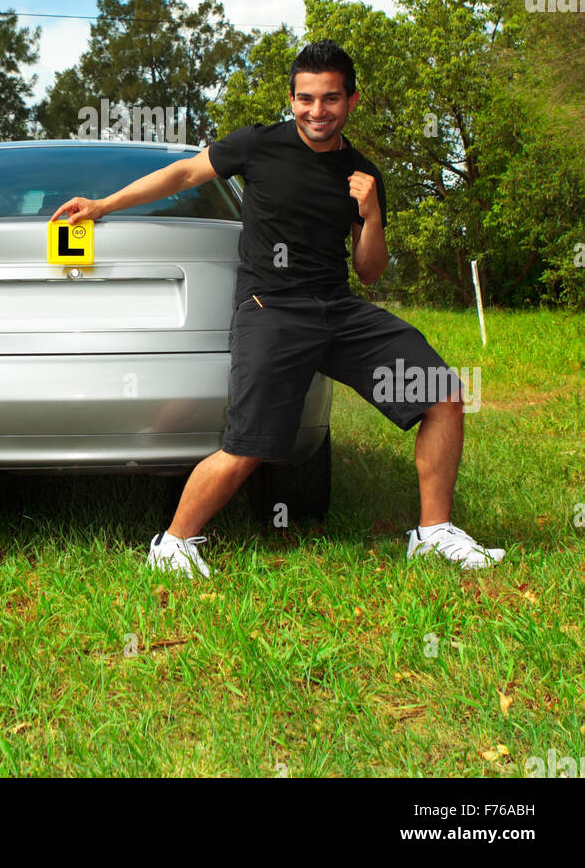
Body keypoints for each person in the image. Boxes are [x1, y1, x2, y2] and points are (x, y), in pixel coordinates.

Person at [49, 39, 505, 577]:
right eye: (306, 98)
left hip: (337, 306)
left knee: (442, 395)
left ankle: (433, 533)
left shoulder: (362, 173)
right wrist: (102, 205)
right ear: (291, 98)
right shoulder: (257, 146)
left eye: (330, 99)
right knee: (250, 446)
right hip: (272, 308)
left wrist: (373, 215)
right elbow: (182, 176)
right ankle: (174, 542)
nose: (318, 111)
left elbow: (371, 271)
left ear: (351, 102)